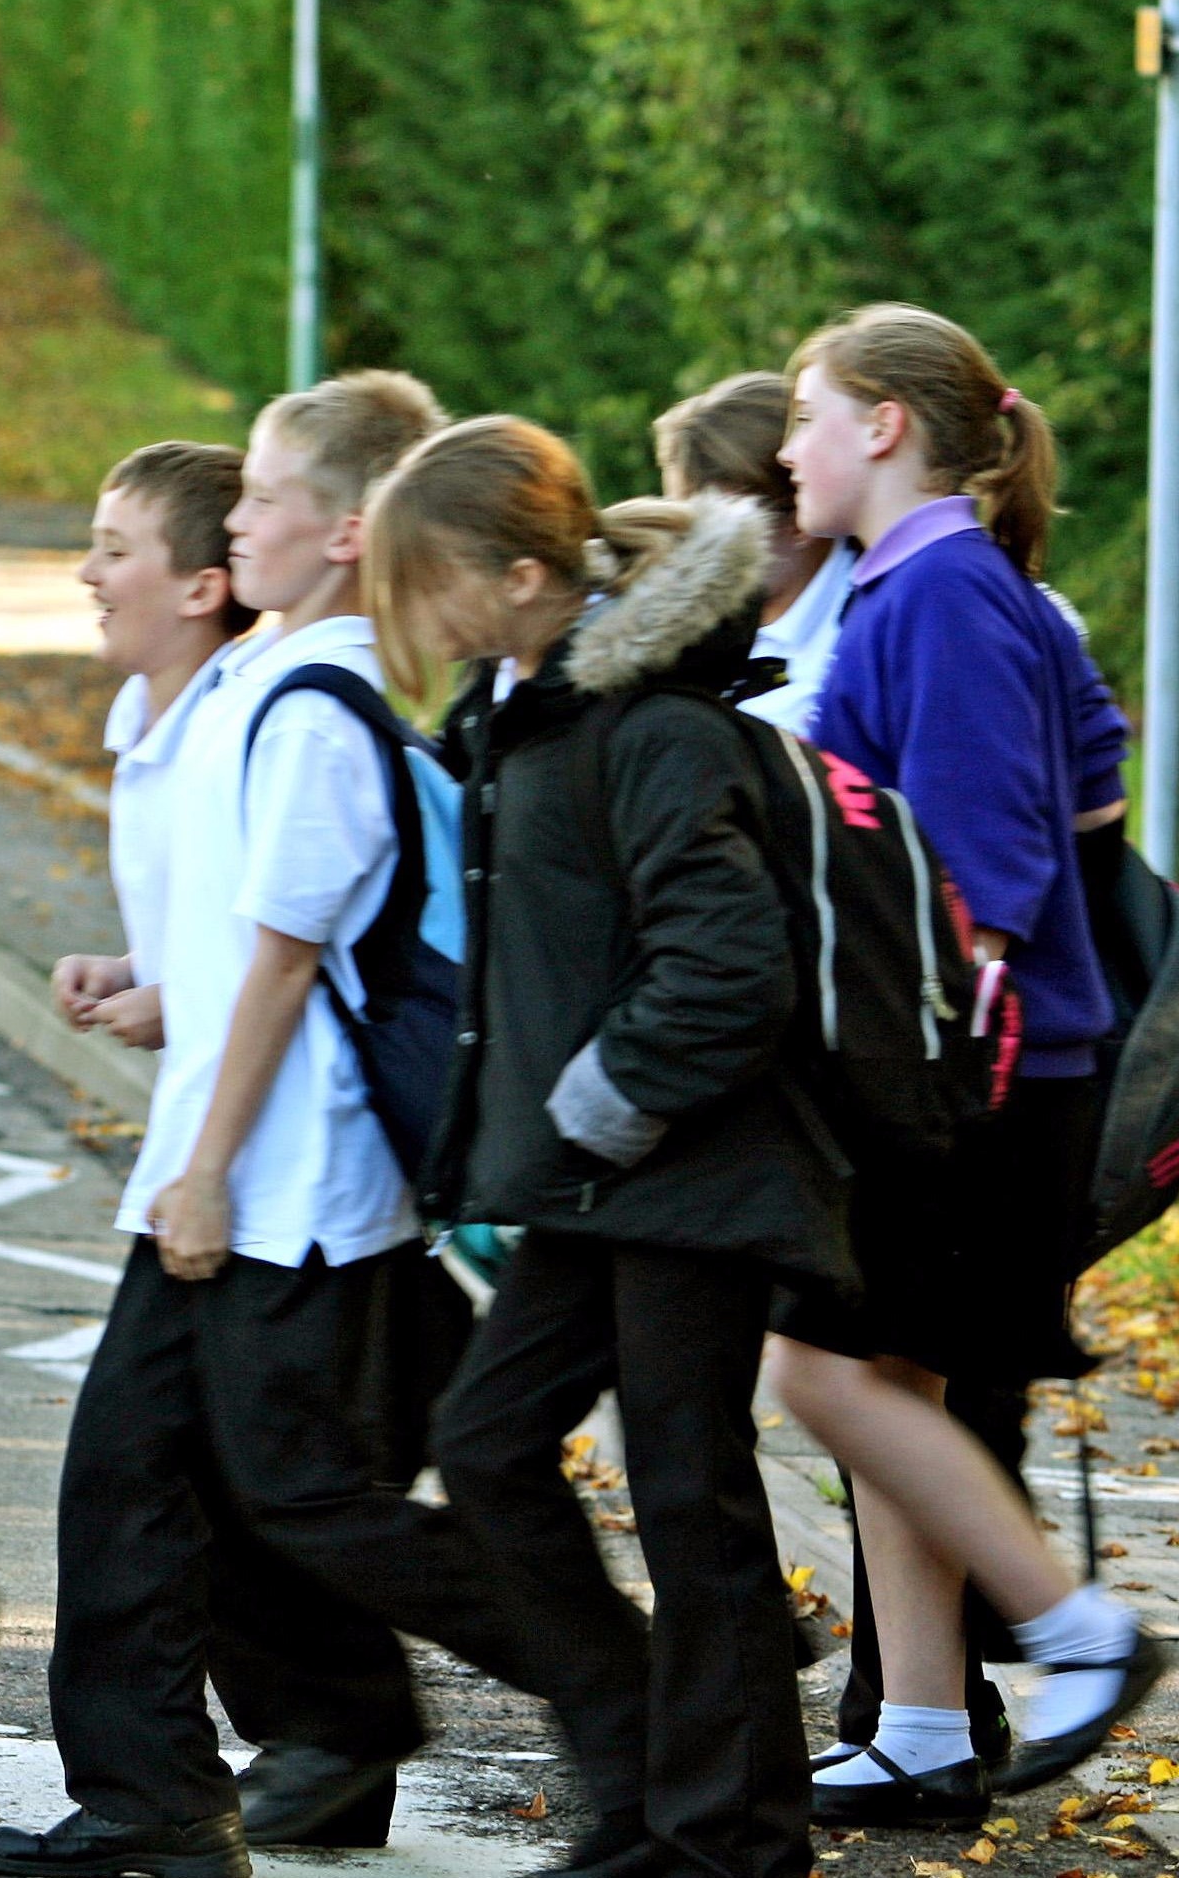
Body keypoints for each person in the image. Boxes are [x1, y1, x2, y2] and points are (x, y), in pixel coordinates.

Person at [0, 378, 651, 1878]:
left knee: (293, 1501)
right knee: (182, 1487)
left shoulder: (310, 710)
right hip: (246, 1174)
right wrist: (156, 992)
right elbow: (259, 955)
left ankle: (640, 1684)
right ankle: (192, 1783)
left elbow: (287, 963)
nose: (236, 518)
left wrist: (202, 1165)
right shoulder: (271, 684)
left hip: (278, 1185)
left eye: (263, 497)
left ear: (345, 533)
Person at [380, 419, 833, 1878]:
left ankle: (728, 1840)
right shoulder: (529, 710)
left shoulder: (646, 726)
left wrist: (595, 1096)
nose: (419, 617)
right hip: (600, 1181)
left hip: (683, 1174)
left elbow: (725, 963)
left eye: (431, 583)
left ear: (524, 574)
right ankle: (646, 1774)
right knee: (488, 1441)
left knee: (690, 1497)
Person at [767, 303, 1160, 1819]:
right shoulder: (932, 587)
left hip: (967, 1076)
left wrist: (907, 1055)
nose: (785, 447)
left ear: (880, 426)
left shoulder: (934, 596)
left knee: (822, 1367)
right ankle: (920, 1726)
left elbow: (984, 872)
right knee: (885, 1375)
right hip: (980, 1067)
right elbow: (1080, 799)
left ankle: (1075, 1628)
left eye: (805, 414)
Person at [51, 440, 257, 1059]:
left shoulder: (249, 739)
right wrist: (137, 968)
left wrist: (183, 1003)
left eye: (115, 551)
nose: (88, 573)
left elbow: (300, 958)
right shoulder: (145, 722)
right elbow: (219, 930)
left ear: (200, 592)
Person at [652, 372, 857, 735]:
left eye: (714, 530)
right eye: (681, 525)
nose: (689, 551)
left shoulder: (865, 630)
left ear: (799, 519)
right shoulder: (691, 634)